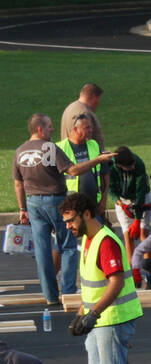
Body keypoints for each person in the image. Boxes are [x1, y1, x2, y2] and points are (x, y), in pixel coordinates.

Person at [60, 191, 144, 364]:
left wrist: (92, 313)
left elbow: (116, 282)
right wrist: (82, 312)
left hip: (113, 319)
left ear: (86, 214)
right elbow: (92, 284)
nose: (68, 226)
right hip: (100, 319)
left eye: (71, 220)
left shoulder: (106, 241)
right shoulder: (88, 239)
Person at [13, 113, 110, 307]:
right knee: (67, 246)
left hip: (33, 203)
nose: (52, 130)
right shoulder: (49, 148)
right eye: (49, 126)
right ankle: (68, 293)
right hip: (55, 200)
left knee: (42, 250)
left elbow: (18, 183)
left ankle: (50, 296)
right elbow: (72, 171)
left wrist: (22, 208)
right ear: (39, 129)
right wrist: (97, 160)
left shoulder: (20, 151)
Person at [56, 114, 108, 221]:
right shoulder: (60, 148)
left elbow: (104, 173)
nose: (91, 130)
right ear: (76, 129)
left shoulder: (93, 144)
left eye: (91, 127)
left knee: (95, 235)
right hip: (70, 205)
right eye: (87, 128)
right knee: (72, 236)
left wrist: (103, 199)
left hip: (93, 204)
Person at [106, 147, 151, 263]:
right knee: (128, 235)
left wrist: (137, 220)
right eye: (130, 166)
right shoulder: (111, 167)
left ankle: (148, 269)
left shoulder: (138, 163)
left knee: (144, 234)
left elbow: (140, 192)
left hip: (141, 197)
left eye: (133, 164)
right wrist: (120, 203)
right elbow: (110, 189)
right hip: (123, 200)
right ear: (119, 165)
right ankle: (133, 271)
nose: (133, 167)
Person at [60, 83, 104, 150]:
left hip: (70, 155)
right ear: (94, 97)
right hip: (84, 157)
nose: (98, 103)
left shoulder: (69, 108)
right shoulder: (84, 113)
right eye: (99, 99)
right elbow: (86, 138)